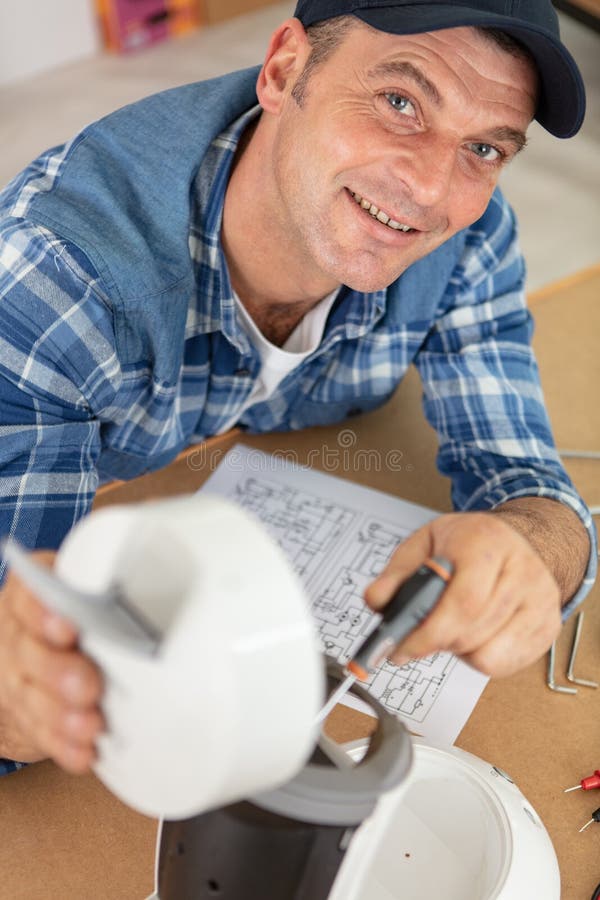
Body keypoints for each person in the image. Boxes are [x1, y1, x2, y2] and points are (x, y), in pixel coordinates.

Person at [0, 0, 596, 777]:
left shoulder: (470, 236)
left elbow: (526, 479)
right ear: (285, 70)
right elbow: (24, 644)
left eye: (483, 146)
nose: (427, 187)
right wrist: (21, 708)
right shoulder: (58, 282)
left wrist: (531, 553)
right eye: (400, 102)